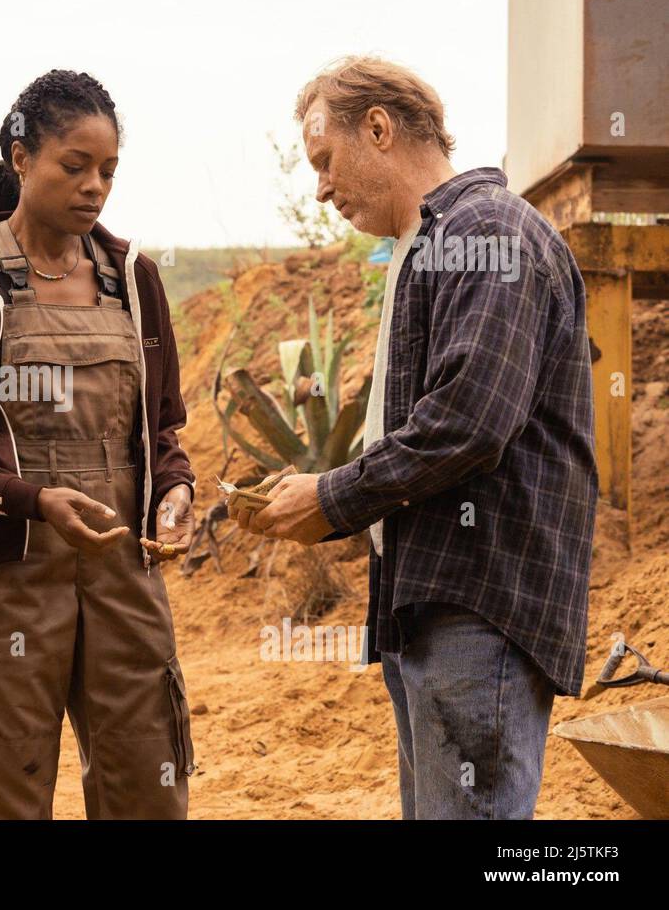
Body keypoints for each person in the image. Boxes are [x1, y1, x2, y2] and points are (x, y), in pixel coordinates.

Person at [235, 57, 597, 819]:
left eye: (325, 161)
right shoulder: (428, 245)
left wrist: (334, 496)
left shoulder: (487, 230)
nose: (322, 188)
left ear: (379, 128)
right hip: (436, 605)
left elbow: (469, 422)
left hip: (479, 606)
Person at [0, 69, 198, 819]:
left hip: (125, 575)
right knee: (11, 794)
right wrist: (34, 501)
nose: (95, 186)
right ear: (21, 157)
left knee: (148, 786)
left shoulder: (135, 278)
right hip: (10, 576)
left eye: (109, 171)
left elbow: (161, 428)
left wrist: (174, 490)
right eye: (75, 166)